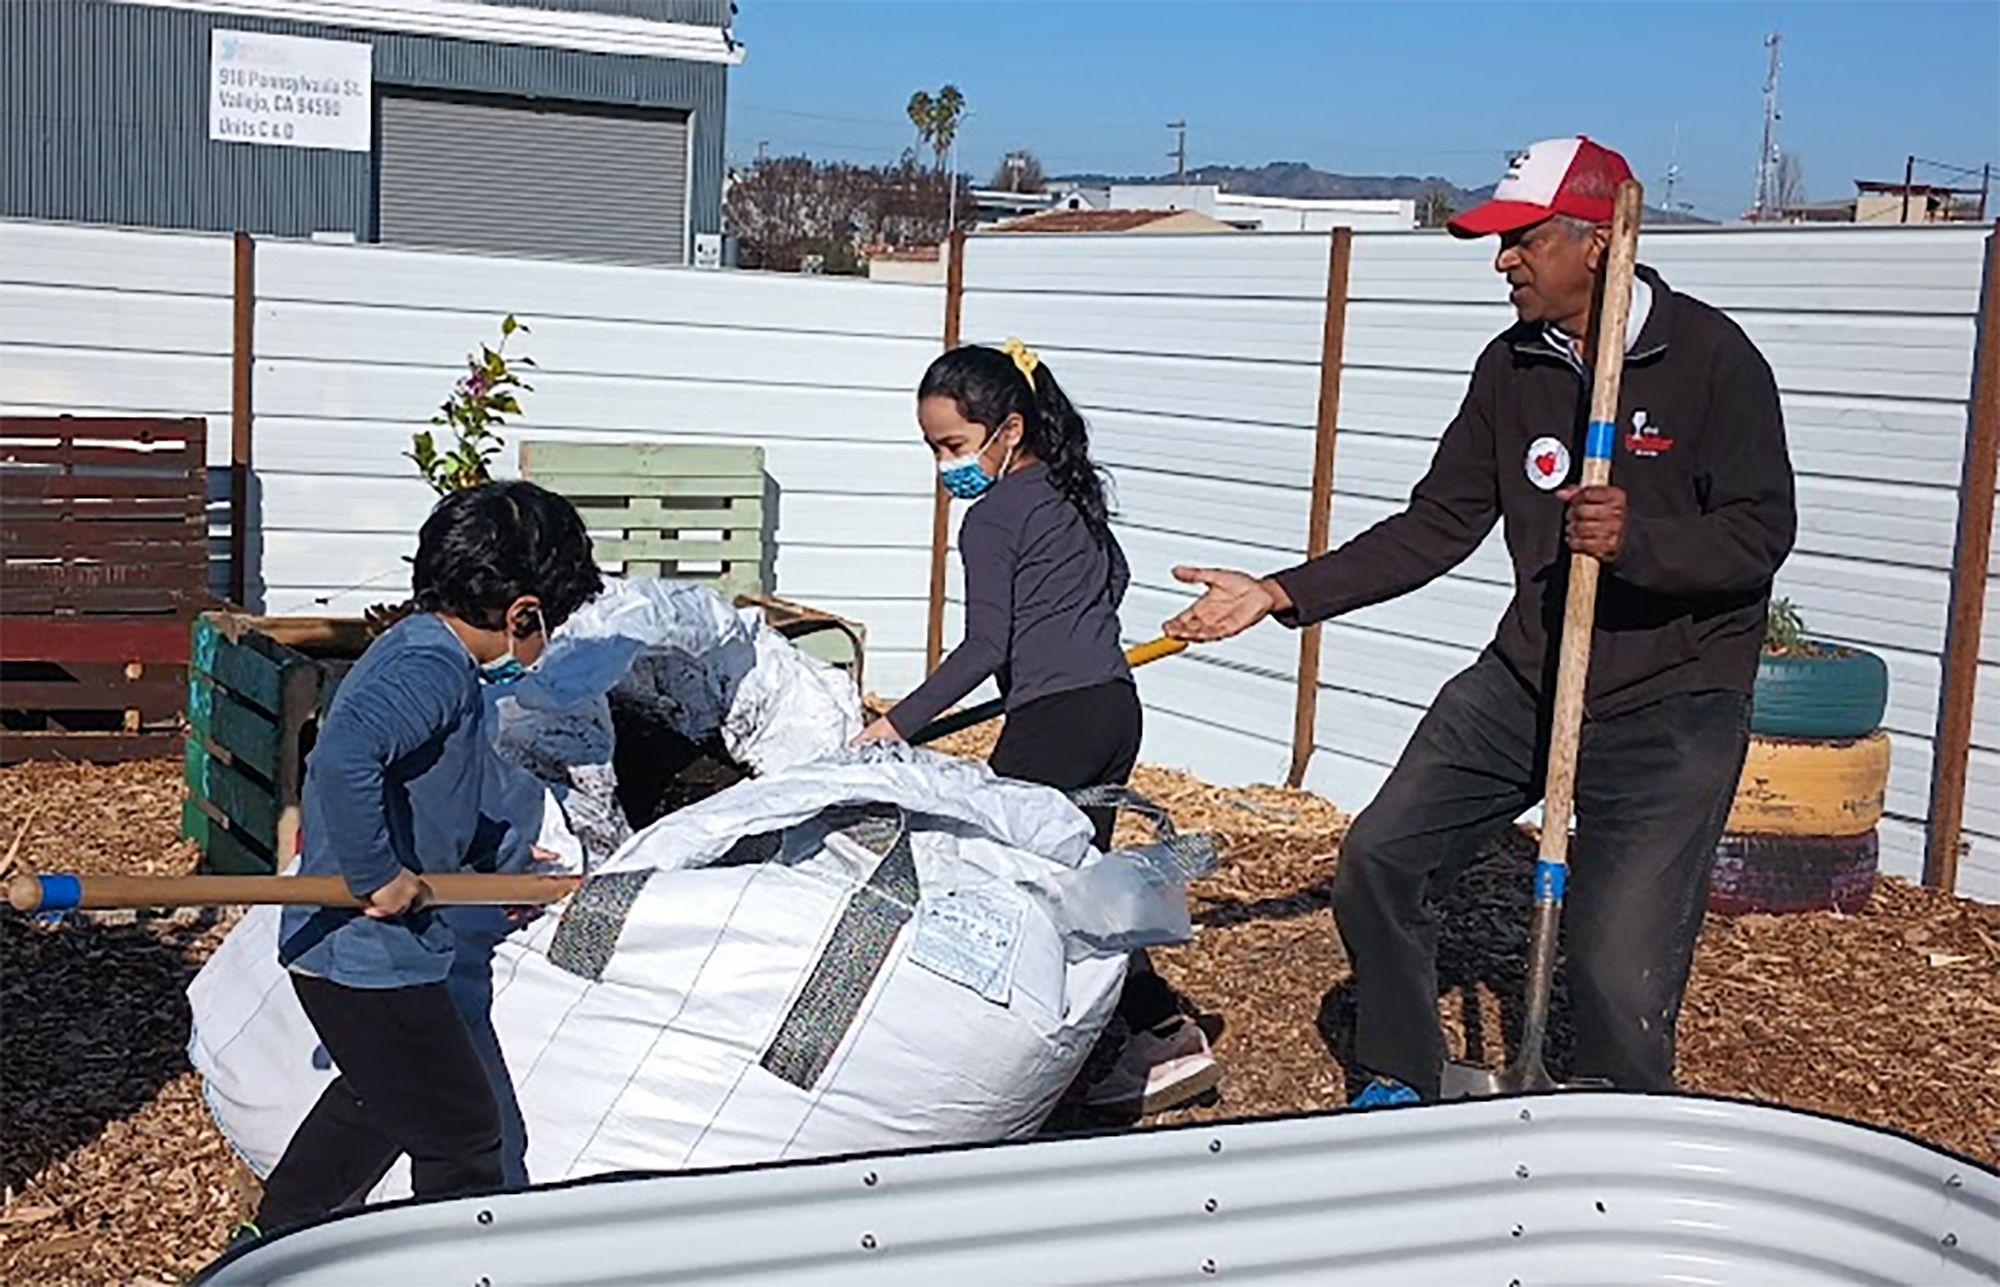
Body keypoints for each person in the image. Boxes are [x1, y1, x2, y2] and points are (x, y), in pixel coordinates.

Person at [1166, 136, 1796, 1106]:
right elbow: (1436, 523)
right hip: (1529, 675)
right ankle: (1400, 1074)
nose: (1500, 261)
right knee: (1379, 860)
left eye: (1518, 241)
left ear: (1593, 241)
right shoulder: (1513, 367)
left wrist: (1641, 542)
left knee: (1613, 962)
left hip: (1672, 700)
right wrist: (1280, 592)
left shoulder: (1707, 359)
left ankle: (1613, 1134)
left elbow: (1760, 533)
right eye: (1495, 243)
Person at [858, 340, 1221, 1116]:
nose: (944, 465)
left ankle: (1033, 1047)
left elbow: (987, 645)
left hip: (1055, 718)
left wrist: (897, 724)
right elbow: (1114, 576)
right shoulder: (1069, 490)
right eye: (933, 448)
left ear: (1008, 430)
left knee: (1004, 881)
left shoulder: (990, 520)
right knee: (1079, 883)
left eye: (954, 446)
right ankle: (1160, 1036)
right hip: (1112, 708)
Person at [245, 481, 603, 1237]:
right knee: (466, 1136)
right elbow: (343, 757)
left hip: (361, 952)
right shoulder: (430, 669)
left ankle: (273, 1238)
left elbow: (451, 793)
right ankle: (447, 1258)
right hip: (365, 952)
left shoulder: (432, 659)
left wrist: (503, 866)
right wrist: (375, 872)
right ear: (522, 612)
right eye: (550, 627)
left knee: (382, 1099)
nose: (545, 648)